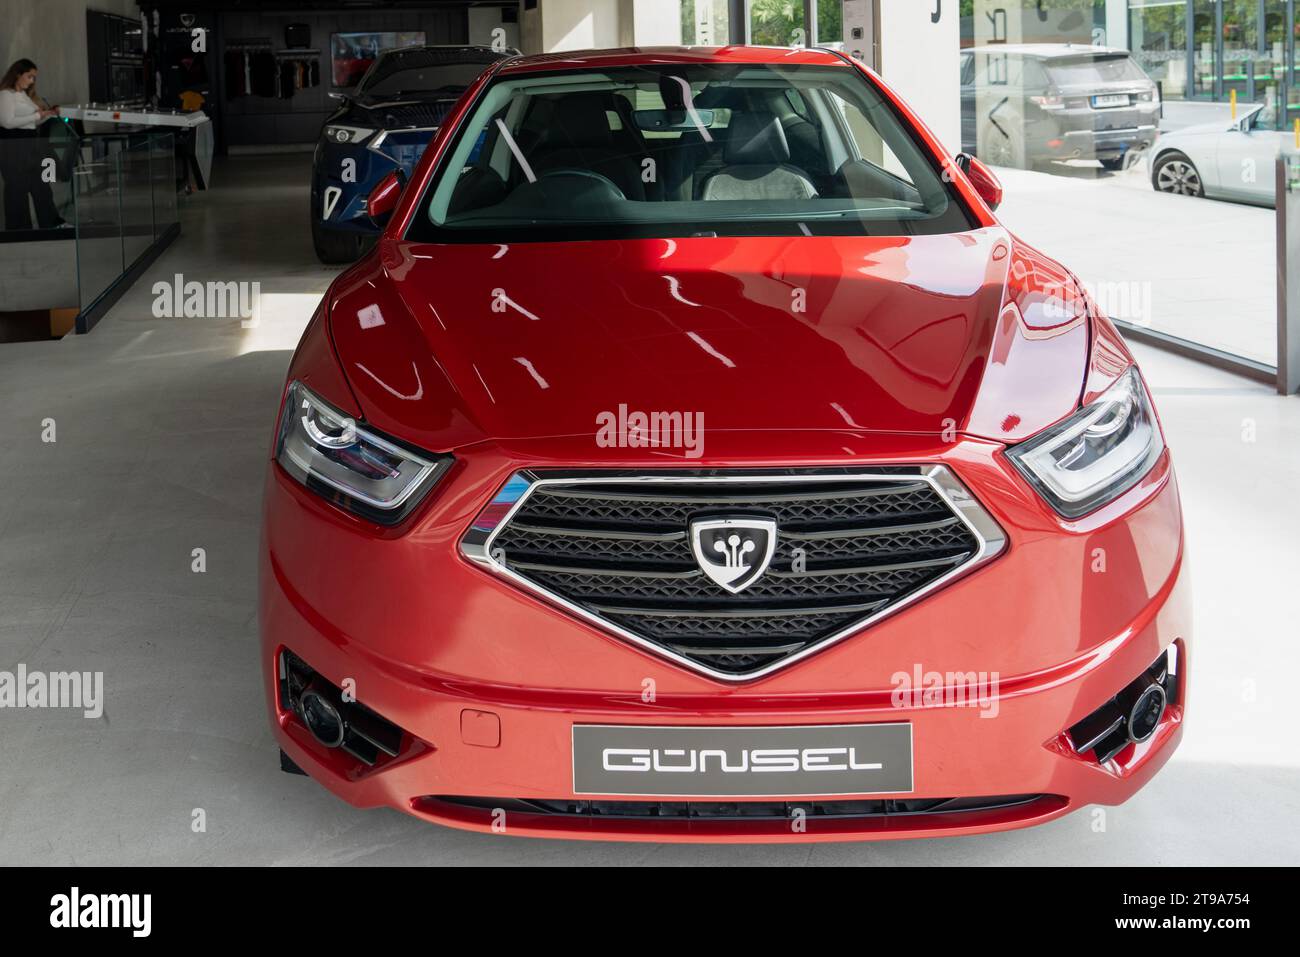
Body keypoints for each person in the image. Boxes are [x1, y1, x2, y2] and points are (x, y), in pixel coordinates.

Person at [0, 59, 65, 230]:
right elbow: (7, 122)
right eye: (29, 76)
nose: (32, 81)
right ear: (17, 74)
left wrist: (49, 114)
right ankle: (19, 230)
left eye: (34, 78)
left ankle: (51, 223)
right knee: (17, 190)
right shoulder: (5, 94)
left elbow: (31, 123)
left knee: (42, 185)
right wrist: (37, 116)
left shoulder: (24, 96)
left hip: (30, 144)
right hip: (13, 147)